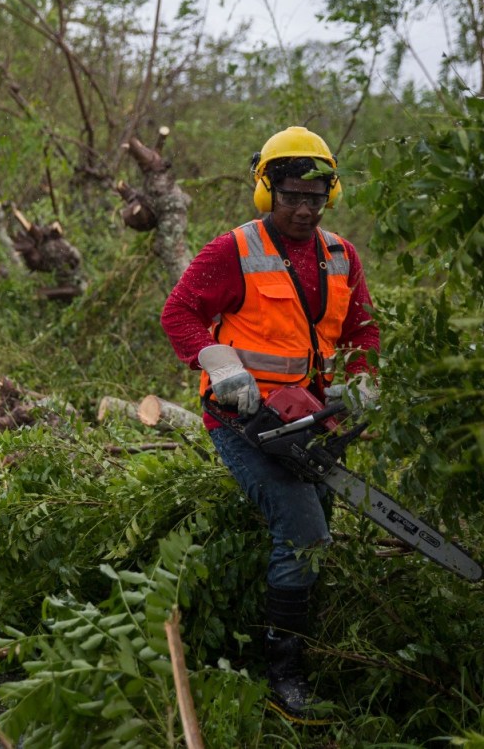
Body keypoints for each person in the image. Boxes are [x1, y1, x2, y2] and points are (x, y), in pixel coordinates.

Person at [160, 126, 380, 721]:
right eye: (292, 196)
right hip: (242, 420)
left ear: (329, 195)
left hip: (312, 419)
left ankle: (301, 629)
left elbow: (363, 330)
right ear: (268, 191)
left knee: (319, 529)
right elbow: (179, 313)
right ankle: (283, 675)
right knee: (305, 533)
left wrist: (362, 375)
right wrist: (216, 360)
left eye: (315, 196)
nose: (304, 208)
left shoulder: (340, 254)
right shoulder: (233, 250)